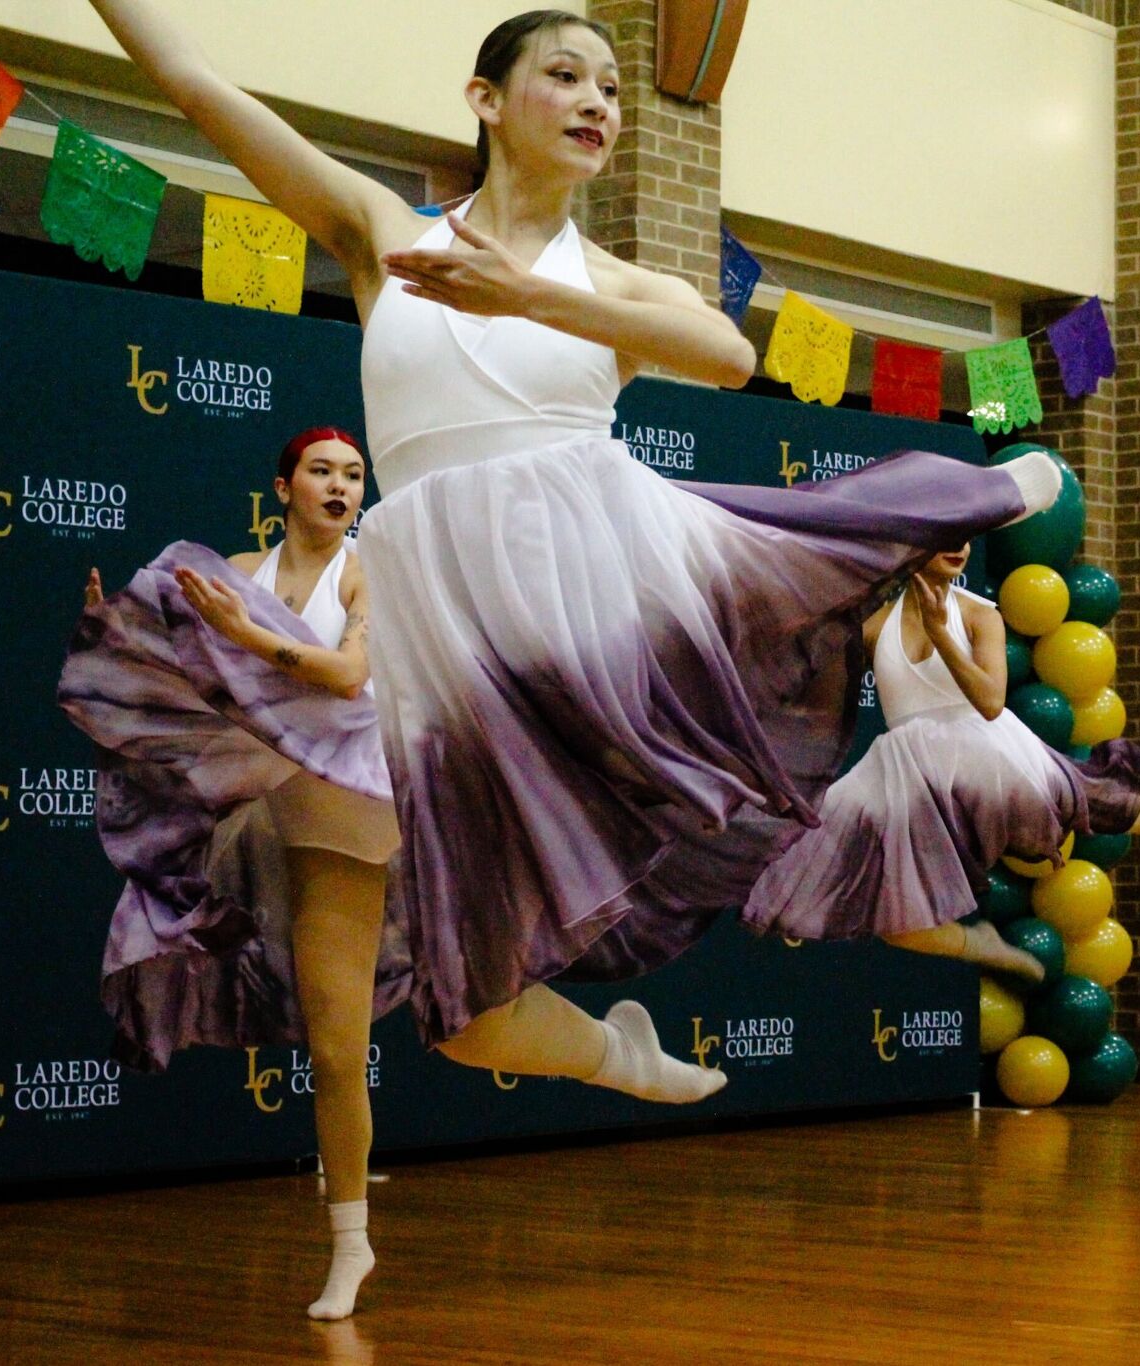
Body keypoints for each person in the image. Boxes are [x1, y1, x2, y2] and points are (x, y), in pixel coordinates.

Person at [81, 4, 1061, 1109]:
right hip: (452, 644)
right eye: (566, 76)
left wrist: (533, 295)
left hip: (587, 598)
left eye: (608, 86)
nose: (597, 101)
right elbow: (196, 85)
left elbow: (731, 354)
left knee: (775, 550)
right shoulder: (385, 235)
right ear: (486, 100)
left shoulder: (612, 284)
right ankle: (618, 1056)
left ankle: (951, 499)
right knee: (463, 1013)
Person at [63, 429, 400, 1320]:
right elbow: (182, 676)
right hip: (258, 808)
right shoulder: (239, 571)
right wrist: (117, 638)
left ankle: (351, 1245)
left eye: (354, 475)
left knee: (338, 1049)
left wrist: (246, 633)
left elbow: (345, 675)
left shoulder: (370, 571)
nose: (340, 487)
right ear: (284, 485)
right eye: (323, 472)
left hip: (346, 812)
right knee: (171, 899)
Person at [743, 544, 1140, 976]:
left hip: (983, 744)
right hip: (908, 768)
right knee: (891, 917)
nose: (959, 546)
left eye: (966, 537)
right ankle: (977, 944)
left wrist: (942, 635)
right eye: (945, 536)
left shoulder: (980, 615)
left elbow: (991, 700)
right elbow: (815, 688)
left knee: (1081, 794)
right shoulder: (875, 627)